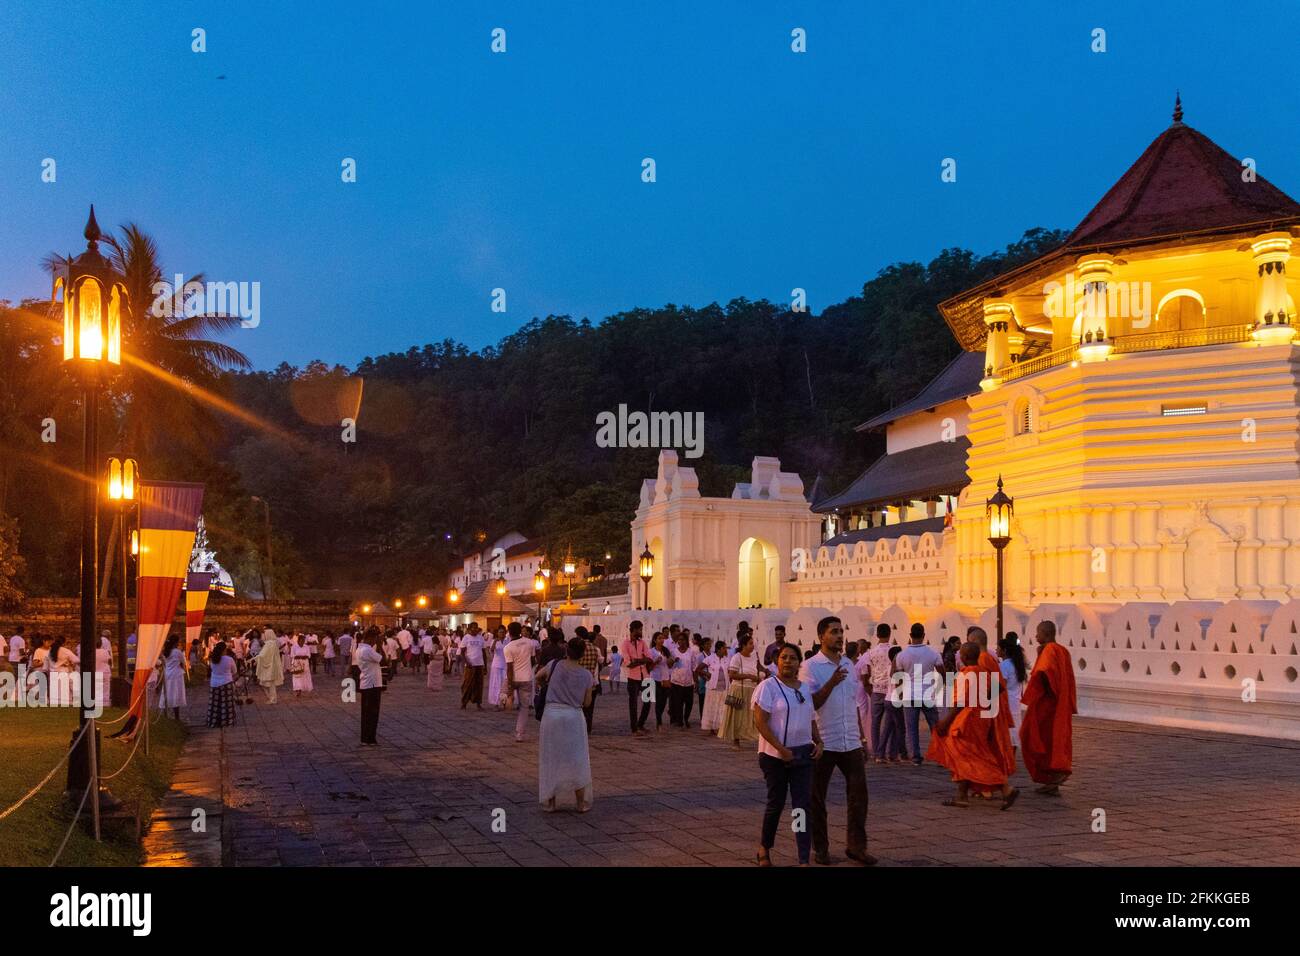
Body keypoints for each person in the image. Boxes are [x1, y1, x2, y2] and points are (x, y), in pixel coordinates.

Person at [801, 616, 875, 866]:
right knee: (816, 797)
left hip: (850, 740)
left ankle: (856, 846)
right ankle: (820, 848)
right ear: (822, 636)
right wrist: (831, 683)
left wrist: (862, 737)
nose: (840, 636)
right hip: (824, 741)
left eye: (842, 631)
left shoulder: (848, 664)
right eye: (834, 632)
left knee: (859, 795)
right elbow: (811, 703)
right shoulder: (811, 666)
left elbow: (853, 702)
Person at [753, 643, 823, 867]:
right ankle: (765, 847)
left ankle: (803, 856)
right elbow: (760, 722)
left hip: (802, 754)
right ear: (776, 661)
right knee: (777, 802)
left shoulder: (803, 688)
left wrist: (819, 741)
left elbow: (810, 718)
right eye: (784, 657)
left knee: (801, 807)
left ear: (799, 663)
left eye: (793, 658)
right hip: (774, 756)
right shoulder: (767, 687)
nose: (788, 662)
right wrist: (781, 749)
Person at [927, 642, 1019, 810]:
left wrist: (945, 722)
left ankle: (1006, 788)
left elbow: (960, 703)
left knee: (971, 756)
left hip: (966, 721)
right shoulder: (983, 673)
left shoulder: (966, 674)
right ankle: (961, 796)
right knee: (966, 757)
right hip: (982, 720)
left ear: (963, 657)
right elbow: (998, 688)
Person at [536, 636, 596, 812]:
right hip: (573, 717)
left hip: (552, 715)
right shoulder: (586, 675)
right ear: (582, 654)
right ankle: (580, 802)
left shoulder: (554, 665)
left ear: (566, 650)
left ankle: (550, 800)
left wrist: (547, 686)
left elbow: (538, 677)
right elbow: (587, 703)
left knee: (551, 757)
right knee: (577, 758)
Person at [1021, 620, 1077, 795]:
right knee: (1052, 740)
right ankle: (1052, 783)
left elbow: (1043, 673)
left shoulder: (1050, 650)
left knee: (1035, 737)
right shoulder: (1062, 650)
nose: (1035, 636)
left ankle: (1057, 773)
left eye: (1038, 633)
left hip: (1047, 704)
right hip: (1059, 703)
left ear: (1046, 634)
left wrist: (1039, 693)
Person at [895, 622, 944, 766]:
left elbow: (898, 676)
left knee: (912, 728)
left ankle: (916, 757)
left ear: (910, 636)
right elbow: (942, 671)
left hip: (910, 694)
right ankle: (941, 754)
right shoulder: (933, 653)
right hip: (927, 693)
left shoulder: (902, 655)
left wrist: (900, 693)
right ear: (923, 635)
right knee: (935, 727)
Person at [718, 630, 762, 748]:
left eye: (753, 643)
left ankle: (753, 736)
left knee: (751, 715)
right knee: (736, 715)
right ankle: (736, 740)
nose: (753, 646)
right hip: (738, 690)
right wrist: (748, 676)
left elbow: (758, 667)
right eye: (750, 643)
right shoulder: (737, 657)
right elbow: (732, 674)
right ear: (743, 645)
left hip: (751, 689)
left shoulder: (754, 656)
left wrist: (760, 676)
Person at [863, 624, 894, 763]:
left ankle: (876, 753)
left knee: (875, 723)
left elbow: (867, 671)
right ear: (890, 634)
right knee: (891, 723)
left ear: (877, 635)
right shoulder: (894, 651)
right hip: (891, 690)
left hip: (876, 689)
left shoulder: (871, 652)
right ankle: (889, 752)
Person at [620, 620, 654, 736]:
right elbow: (628, 663)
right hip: (633, 677)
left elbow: (649, 658)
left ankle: (640, 724)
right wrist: (641, 660)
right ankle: (634, 728)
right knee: (633, 703)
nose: (641, 631)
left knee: (648, 702)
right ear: (634, 630)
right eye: (640, 629)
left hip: (645, 675)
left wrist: (637, 660)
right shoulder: (625, 644)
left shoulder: (643, 643)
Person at [504, 621, 536, 742]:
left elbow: (509, 668)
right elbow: (533, 659)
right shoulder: (530, 643)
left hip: (514, 678)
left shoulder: (508, 647)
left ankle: (505, 701)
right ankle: (519, 733)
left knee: (506, 697)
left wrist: (510, 686)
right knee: (524, 707)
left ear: (509, 632)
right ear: (520, 631)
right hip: (526, 678)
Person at [998, 632, 1027, 748]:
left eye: (998, 648)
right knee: (1014, 729)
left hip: (1007, 701)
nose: (996, 650)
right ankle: (1011, 759)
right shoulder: (1017, 664)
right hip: (1015, 700)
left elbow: (1001, 685)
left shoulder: (1004, 665)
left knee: (1006, 730)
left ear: (1004, 650)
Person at [667, 633, 700, 730]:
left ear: (686, 640)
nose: (681, 642)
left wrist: (696, 681)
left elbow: (694, 668)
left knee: (689, 703)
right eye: (679, 640)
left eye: (682, 640)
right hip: (676, 681)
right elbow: (669, 665)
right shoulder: (673, 652)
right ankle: (680, 722)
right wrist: (674, 661)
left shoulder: (691, 652)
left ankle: (686, 718)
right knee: (678, 703)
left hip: (688, 682)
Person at [699, 641, 730, 733]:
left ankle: (721, 727)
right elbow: (698, 669)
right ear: (719, 649)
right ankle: (711, 727)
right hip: (713, 687)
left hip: (724, 687)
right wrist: (705, 674)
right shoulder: (710, 658)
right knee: (712, 708)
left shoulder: (727, 659)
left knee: (722, 708)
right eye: (724, 648)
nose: (725, 650)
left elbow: (730, 672)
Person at [576, 628, 602, 733]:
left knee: (578, 706)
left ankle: (579, 727)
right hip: (591, 681)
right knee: (590, 708)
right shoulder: (595, 649)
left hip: (579, 680)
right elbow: (600, 662)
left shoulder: (579, 647)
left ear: (579, 635)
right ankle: (588, 728)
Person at [206, 642, 238, 728]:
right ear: (224, 650)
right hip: (226, 683)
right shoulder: (229, 659)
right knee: (226, 704)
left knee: (215, 704)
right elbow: (234, 671)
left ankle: (213, 721)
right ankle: (227, 722)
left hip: (214, 683)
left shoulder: (213, 659)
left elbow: (212, 669)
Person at [156, 634, 187, 719]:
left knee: (167, 692)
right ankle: (177, 716)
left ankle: (164, 712)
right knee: (176, 694)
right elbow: (183, 663)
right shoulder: (177, 652)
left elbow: (162, 661)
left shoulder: (166, 651)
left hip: (167, 674)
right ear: (176, 642)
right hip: (176, 675)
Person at [459, 623, 487, 709]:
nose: (475, 630)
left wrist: (485, 666)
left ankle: (478, 703)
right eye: (473, 628)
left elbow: (483, 652)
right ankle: (464, 703)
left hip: (479, 664)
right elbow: (462, 652)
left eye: (476, 628)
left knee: (479, 684)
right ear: (469, 629)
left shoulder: (480, 638)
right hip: (470, 665)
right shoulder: (466, 638)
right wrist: (467, 662)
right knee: (467, 684)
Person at [255, 629, 283, 703]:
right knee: (269, 684)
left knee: (267, 684)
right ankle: (272, 698)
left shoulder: (269, 644)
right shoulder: (274, 643)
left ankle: (272, 699)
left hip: (269, 667)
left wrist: (255, 659)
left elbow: (262, 655)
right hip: (272, 666)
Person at [486, 625, 509, 710]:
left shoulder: (508, 641)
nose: (501, 634)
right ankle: (495, 703)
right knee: (496, 684)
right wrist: (495, 642)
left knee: (504, 685)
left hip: (505, 665)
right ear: (497, 633)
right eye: (500, 632)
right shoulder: (494, 641)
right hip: (496, 665)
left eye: (503, 632)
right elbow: (491, 651)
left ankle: (503, 702)